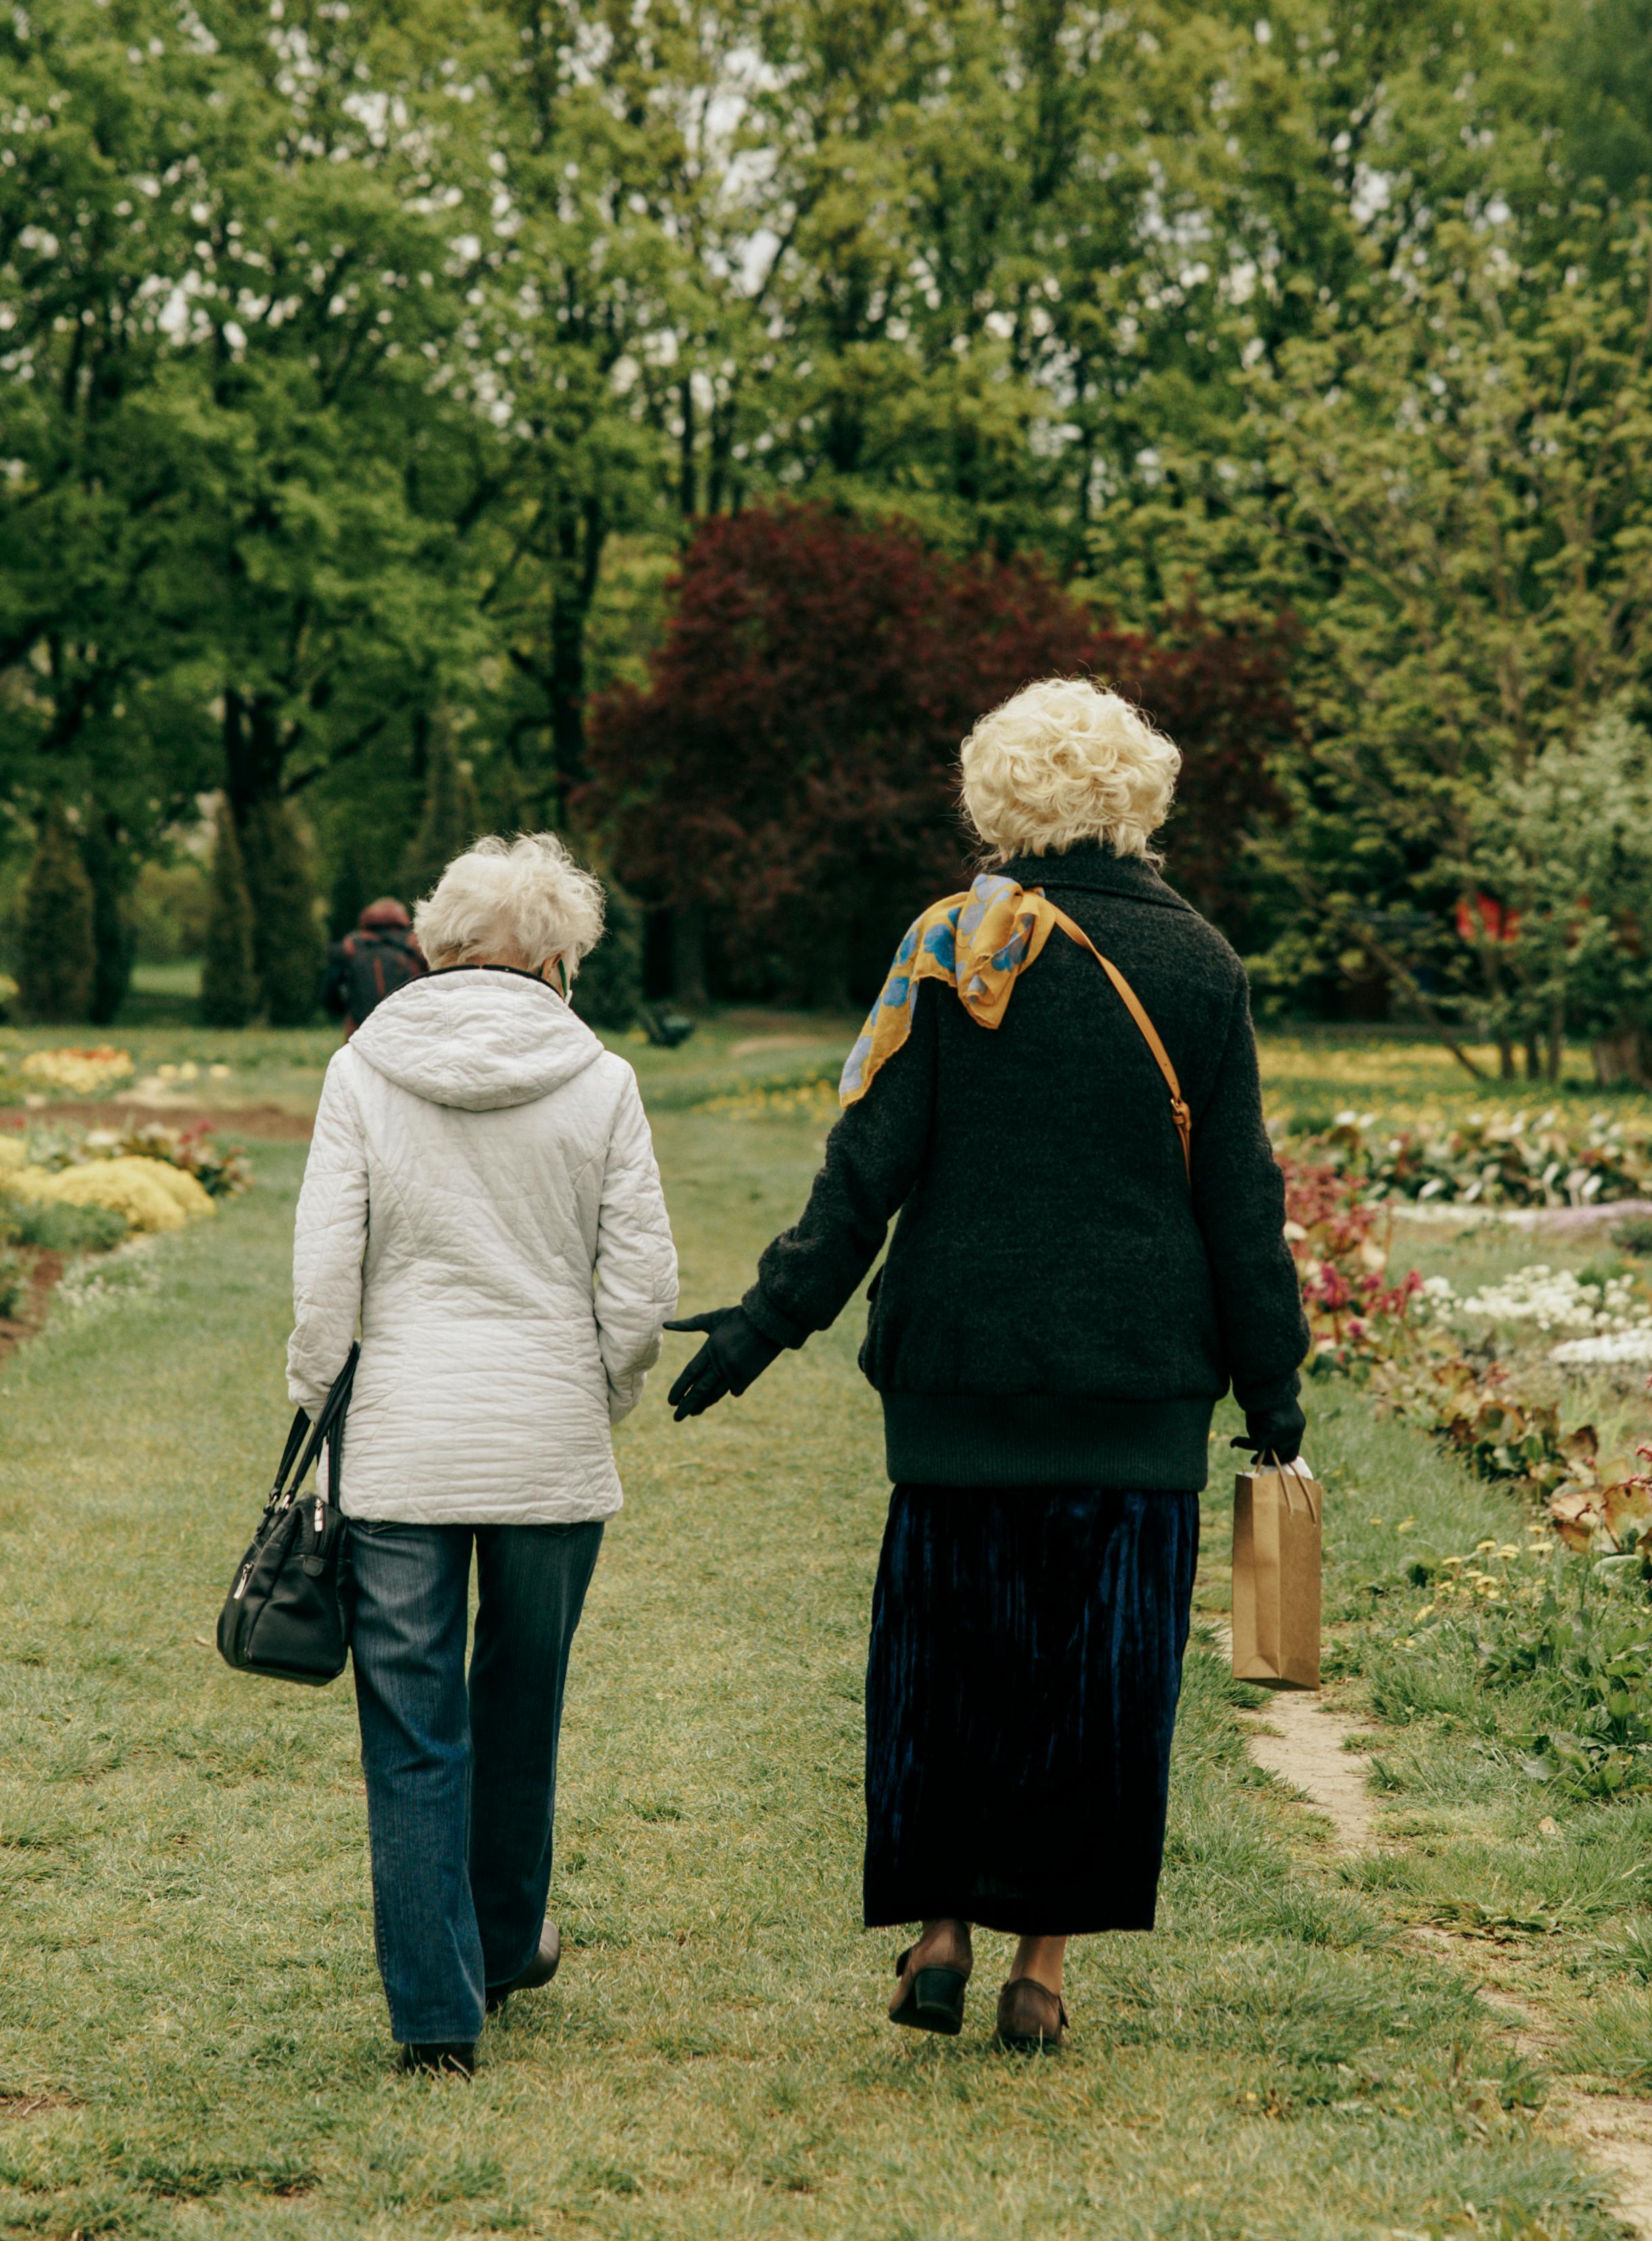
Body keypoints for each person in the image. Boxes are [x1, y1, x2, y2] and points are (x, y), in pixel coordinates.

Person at [660, 678, 1307, 2056]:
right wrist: (1273, 1390)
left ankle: (941, 1928)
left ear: (997, 794)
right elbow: (1241, 1204)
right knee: (1101, 1686)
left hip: (958, 1381)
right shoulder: (1201, 964)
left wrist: (763, 1326)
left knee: (945, 1672)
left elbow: (864, 1174)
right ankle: (1042, 1971)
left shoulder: (951, 945)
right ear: (1138, 794)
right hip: (1136, 1392)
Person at [285, 833, 677, 2077]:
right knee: (522, 1703)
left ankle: (436, 2019)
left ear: (440, 946)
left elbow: (323, 1280)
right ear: (556, 958)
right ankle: (504, 1942)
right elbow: (640, 1290)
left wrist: (318, 1404)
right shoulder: (601, 1079)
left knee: (412, 1727)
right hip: (546, 1439)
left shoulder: (363, 1069)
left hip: (401, 1445)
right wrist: (600, 1396)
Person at [318, 896, 429, 1032]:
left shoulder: (351, 945)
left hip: (361, 1030)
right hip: (410, 1029)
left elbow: (330, 995)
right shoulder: (415, 944)